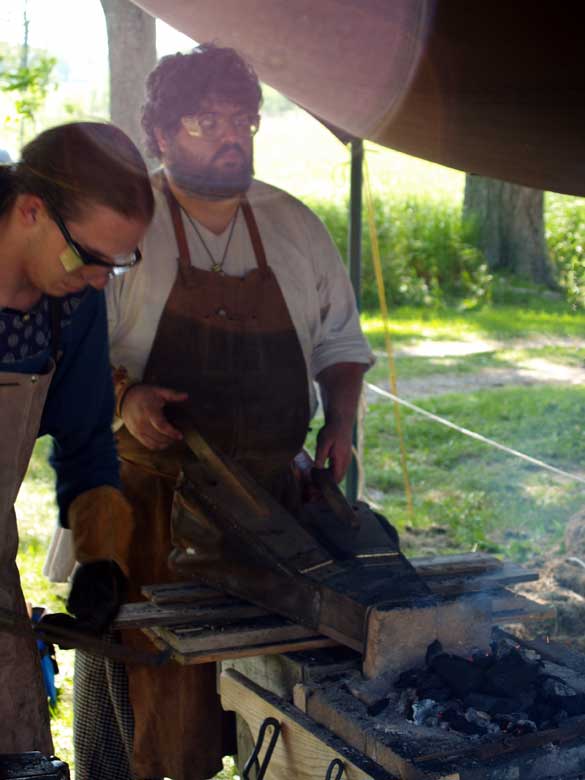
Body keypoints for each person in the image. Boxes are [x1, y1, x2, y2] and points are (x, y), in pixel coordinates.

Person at [85, 43, 373, 780]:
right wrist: (126, 397)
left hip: (277, 511)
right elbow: (72, 355)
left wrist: (338, 421)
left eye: (241, 121)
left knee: (280, 709)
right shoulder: (126, 229)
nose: (228, 137)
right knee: (166, 717)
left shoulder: (293, 225)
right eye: (203, 122)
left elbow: (340, 344)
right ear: (159, 136)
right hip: (156, 510)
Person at [0, 121, 154, 758]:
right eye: (92, 258)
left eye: (118, 264)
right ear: (31, 211)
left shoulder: (70, 305)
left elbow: (88, 435)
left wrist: (99, 556)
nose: (101, 280)